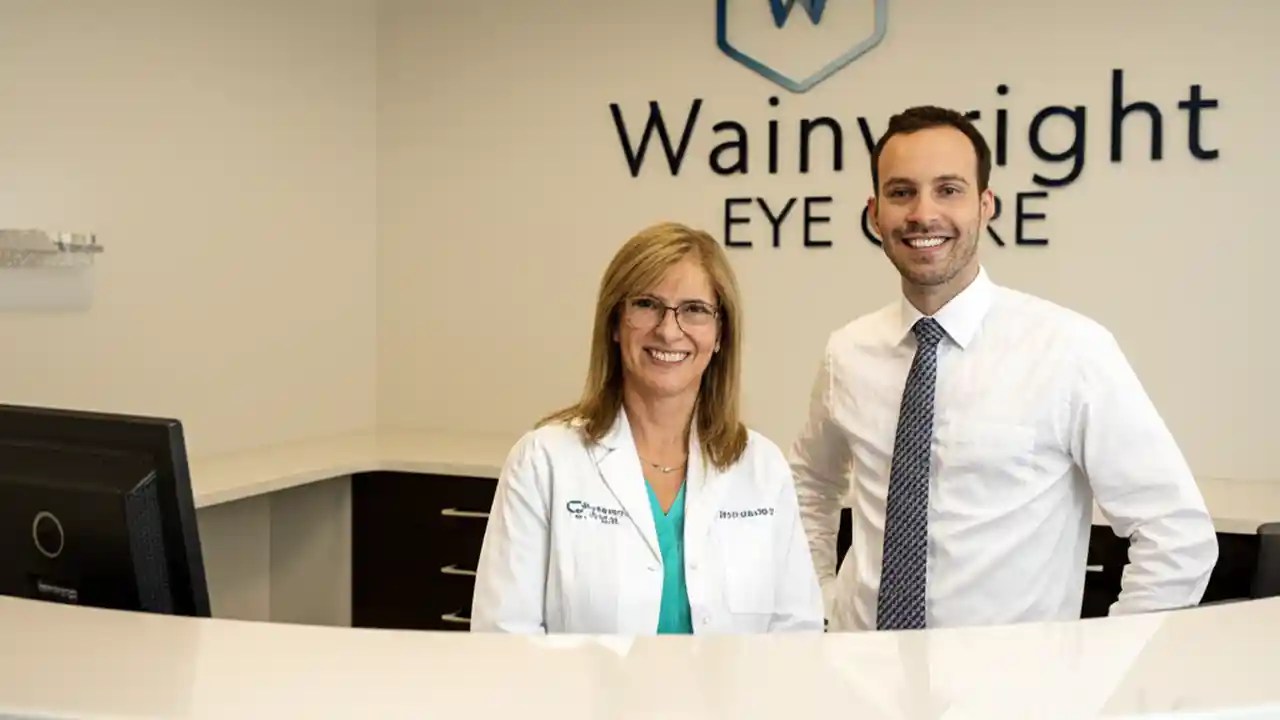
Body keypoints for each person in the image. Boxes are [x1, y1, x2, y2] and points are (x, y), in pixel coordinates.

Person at [790, 105, 1219, 632]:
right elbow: (809, 487)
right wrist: (818, 607)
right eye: (902, 192)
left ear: (985, 205)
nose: (923, 213)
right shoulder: (848, 353)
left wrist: (1107, 662)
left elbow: (1176, 535)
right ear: (875, 213)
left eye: (949, 189)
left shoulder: (1069, 351)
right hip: (857, 670)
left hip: (1012, 679)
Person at [471, 221, 824, 635]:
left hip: (734, 683)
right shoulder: (542, 462)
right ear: (615, 324)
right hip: (578, 684)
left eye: (694, 309)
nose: (668, 331)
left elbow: (796, 634)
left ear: (720, 335)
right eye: (646, 305)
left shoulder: (762, 467)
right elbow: (505, 637)